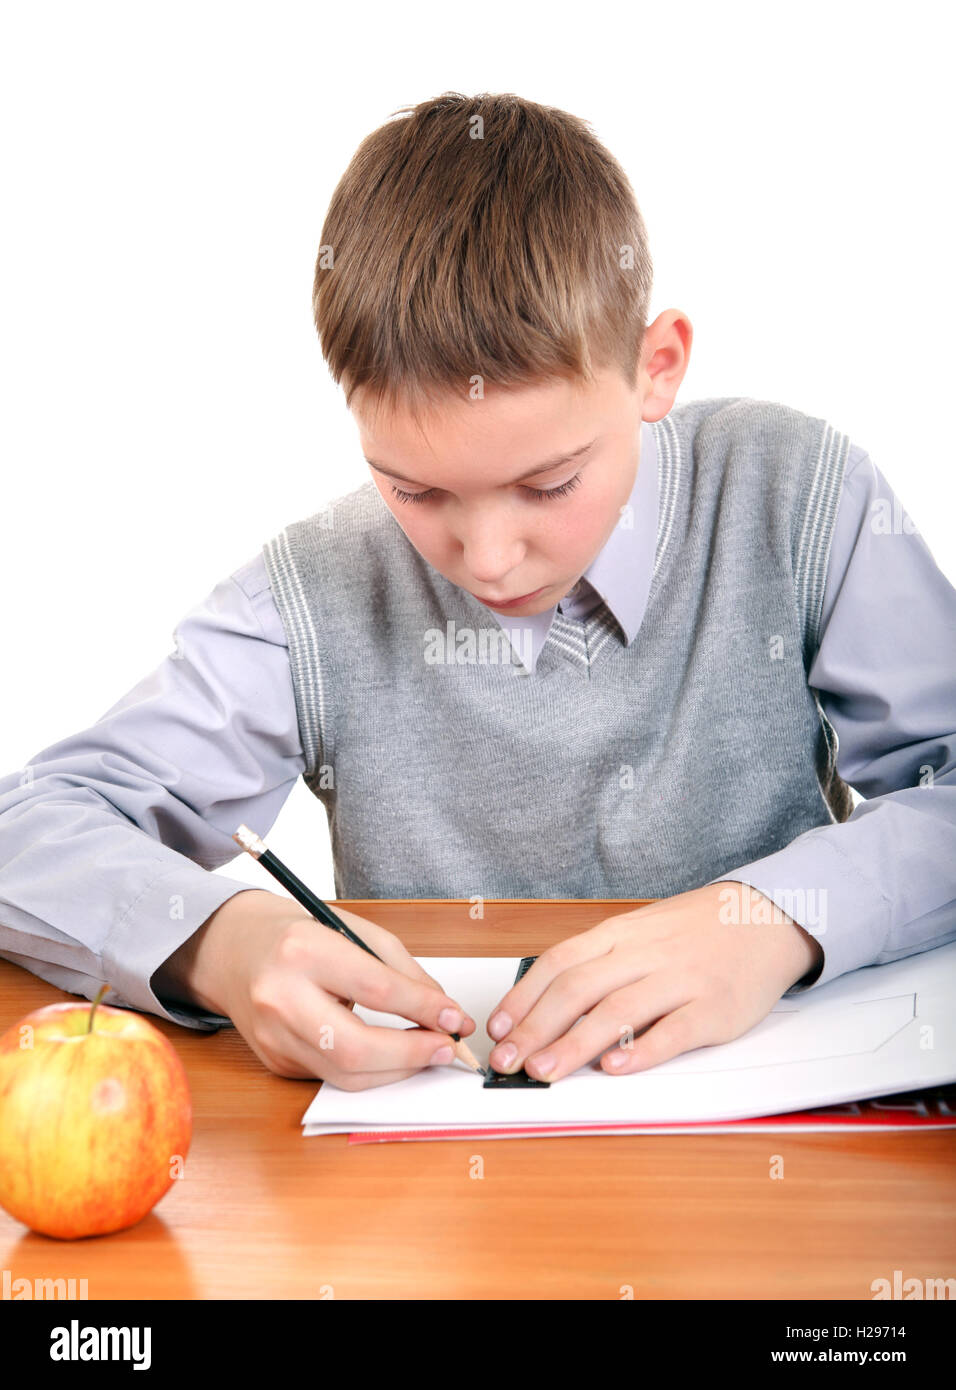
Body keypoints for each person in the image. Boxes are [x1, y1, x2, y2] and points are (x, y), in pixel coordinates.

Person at [2, 92, 954, 1090]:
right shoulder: (312, 596)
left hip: (771, 1162)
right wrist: (224, 942)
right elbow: (29, 823)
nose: (489, 558)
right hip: (432, 1192)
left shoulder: (796, 495)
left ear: (653, 367)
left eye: (547, 485)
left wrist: (777, 916)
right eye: (414, 489)